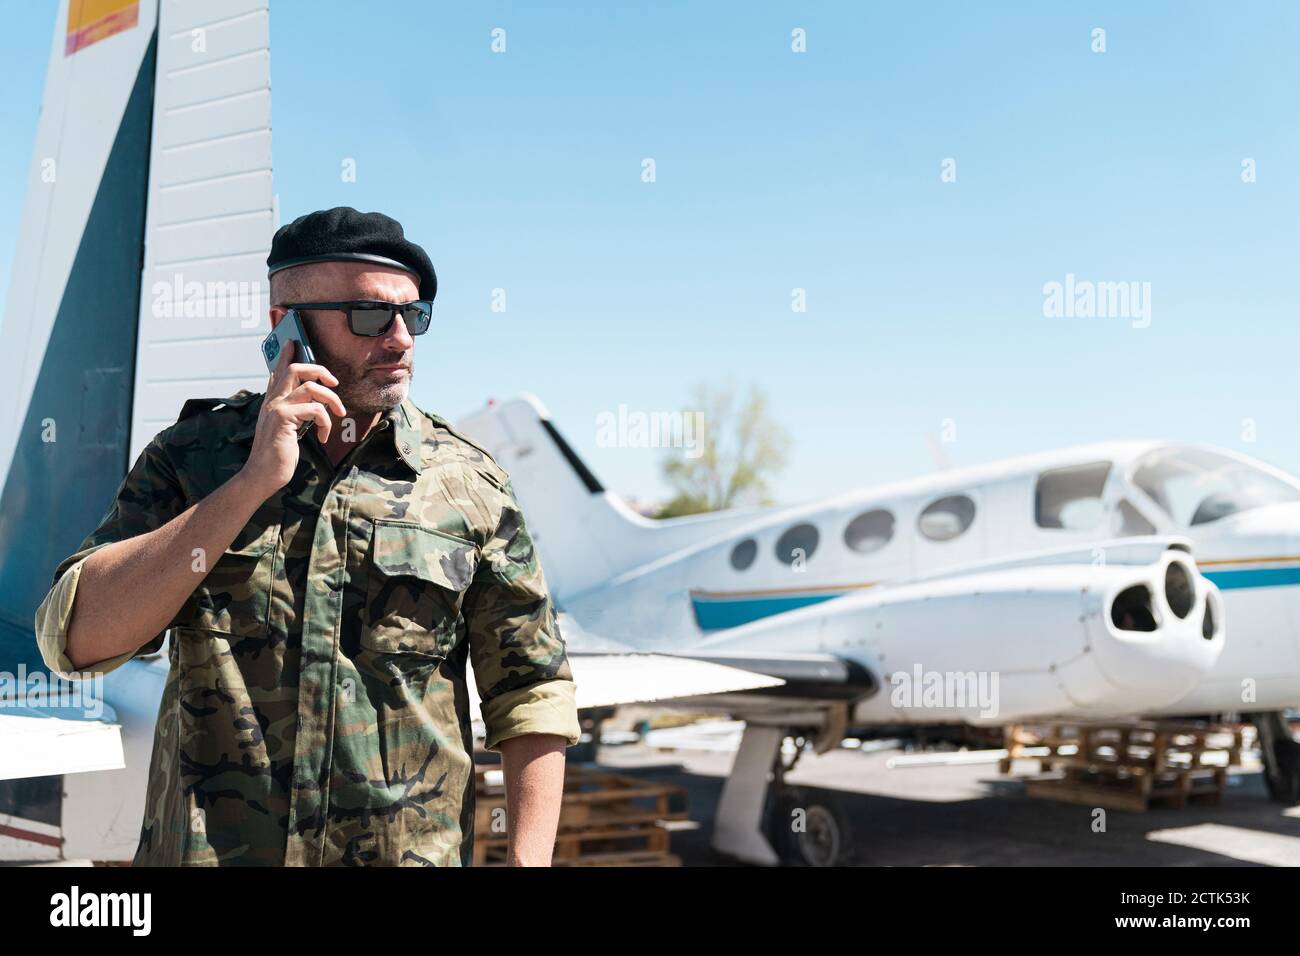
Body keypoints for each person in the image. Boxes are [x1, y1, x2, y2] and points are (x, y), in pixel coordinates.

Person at [34, 206, 580, 866]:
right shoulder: (191, 461)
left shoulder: (471, 484)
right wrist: (251, 483)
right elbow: (77, 639)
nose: (402, 338)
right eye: (372, 316)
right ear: (285, 325)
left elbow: (532, 693)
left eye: (416, 315)